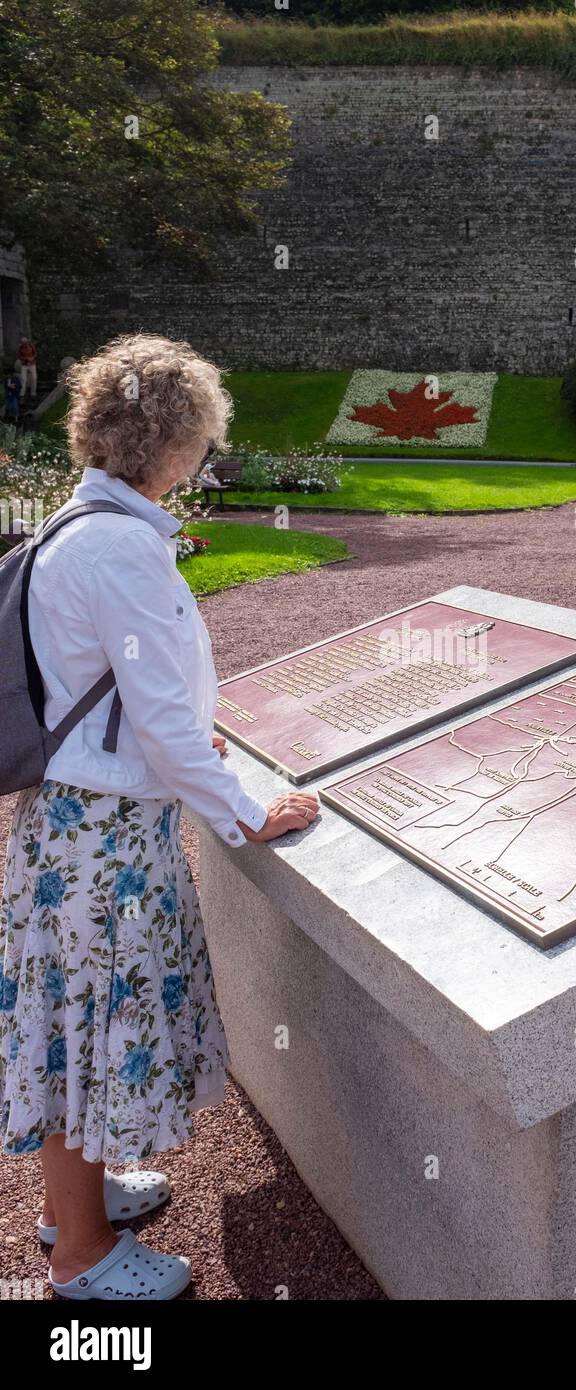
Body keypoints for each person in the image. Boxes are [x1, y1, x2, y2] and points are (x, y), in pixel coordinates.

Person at [0, 334, 320, 1301]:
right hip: (104, 845)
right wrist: (250, 813)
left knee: (76, 1030)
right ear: (179, 443)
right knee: (86, 1029)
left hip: (76, 829)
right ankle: (82, 1256)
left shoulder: (77, 526)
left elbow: (111, 699)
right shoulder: (121, 547)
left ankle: (78, 1202)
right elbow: (167, 720)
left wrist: (176, 756)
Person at [16, 337, 37, 402]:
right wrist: (25, 358)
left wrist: (32, 358)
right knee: (23, 379)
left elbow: (35, 354)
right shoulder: (20, 348)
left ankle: (33, 394)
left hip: (32, 364)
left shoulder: (31, 346)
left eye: (25, 343)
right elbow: (19, 356)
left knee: (34, 378)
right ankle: (22, 395)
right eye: (23, 343)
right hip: (24, 365)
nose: (24, 344)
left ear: (27, 342)